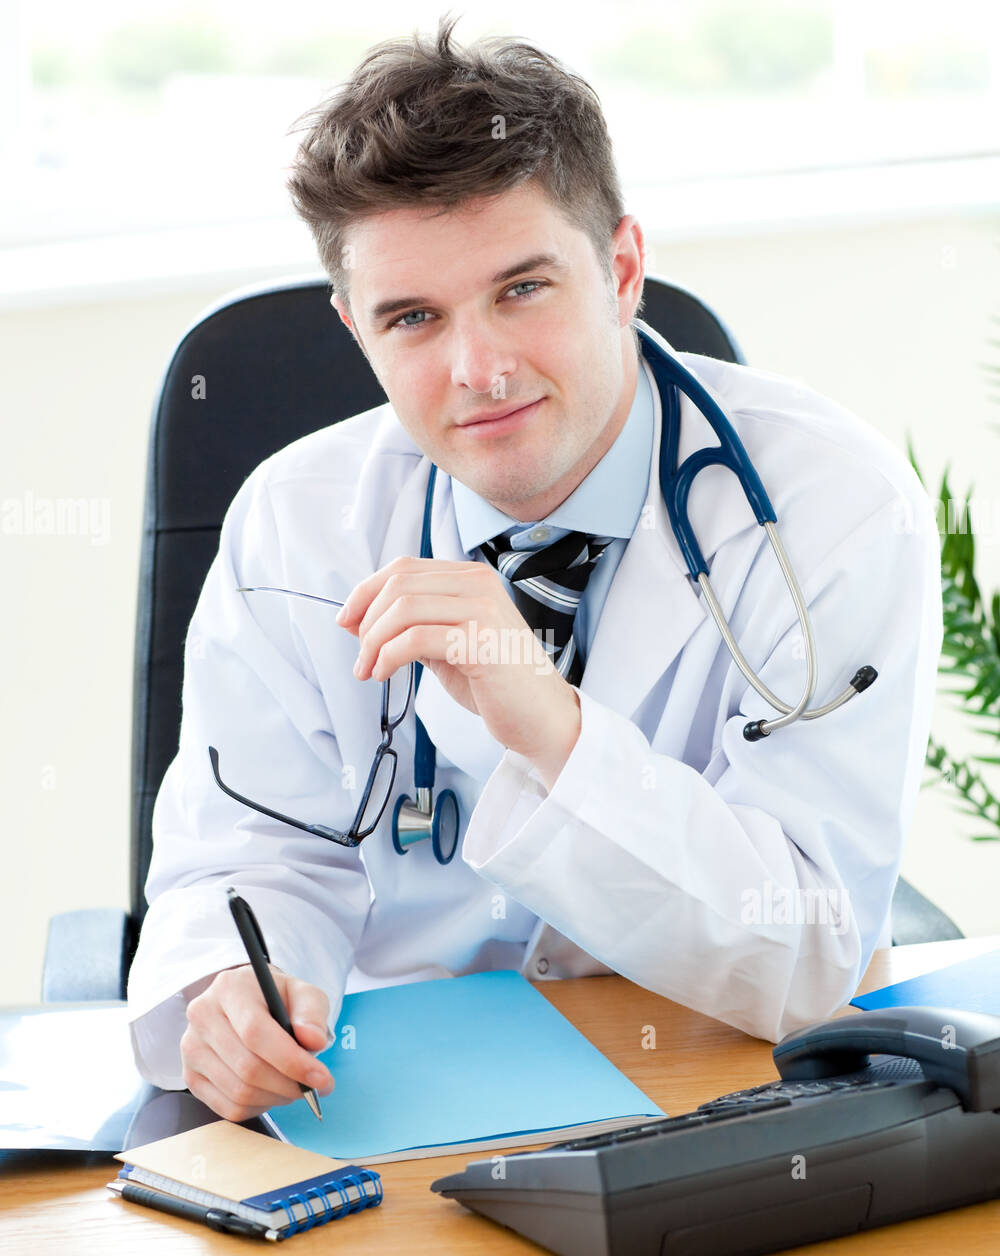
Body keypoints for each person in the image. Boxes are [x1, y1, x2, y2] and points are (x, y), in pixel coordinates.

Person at [126, 16, 942, 1120]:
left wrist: (549, 729)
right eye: (412, 317)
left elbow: (807, 957)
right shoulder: (294, 522)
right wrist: (235, 994)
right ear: (354, 330)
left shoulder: (827, 510)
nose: (478, 369)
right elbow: (252, 856)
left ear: (621, 267)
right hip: (380, 1117)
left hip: (711, 1101)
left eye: (522, 288)